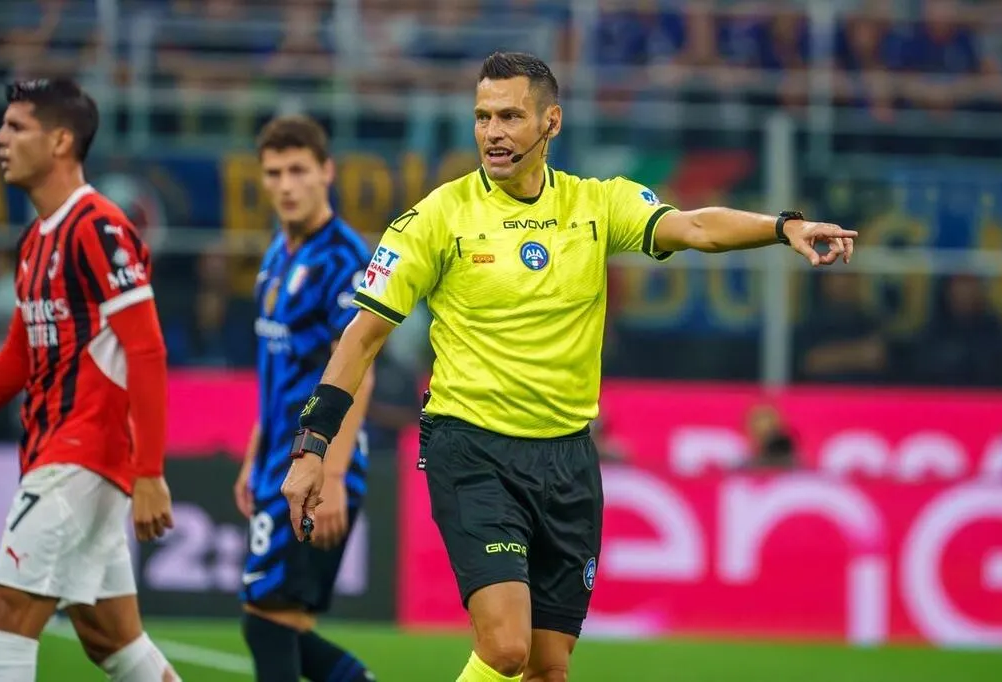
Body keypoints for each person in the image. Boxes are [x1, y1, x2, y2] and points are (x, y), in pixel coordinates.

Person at [281, 51, 858, 682]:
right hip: (472, 449)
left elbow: (694, 226)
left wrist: (784, 227)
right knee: (505, 648)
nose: (492, 132)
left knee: (548, 669)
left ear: (550, 122)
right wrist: (313, 446)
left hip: (567, 462)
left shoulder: (596, 205)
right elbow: (361, 338)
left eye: (509, 116)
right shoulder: (436, 219)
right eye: (481, 117)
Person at [0, 78, 178, 681]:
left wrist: (149, 473)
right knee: (111, 639)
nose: (0, 139)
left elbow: (145, 350)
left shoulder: (98, 225)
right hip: (58, 453)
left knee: (4, 614)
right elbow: (19, 358)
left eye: (17, 127)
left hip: (83, 455)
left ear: (61, 140)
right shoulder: (34, 241)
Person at [233, 115, 376, 682]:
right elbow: (277, 370)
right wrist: (253, 453)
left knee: (267, 620)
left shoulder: (343, 257)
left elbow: (357, 369)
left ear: (327, 172)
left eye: (298, 170)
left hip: (316, 468)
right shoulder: (276, 254)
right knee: (279, 621)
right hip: (277, 462)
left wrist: (334, 474)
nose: (286, 184)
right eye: (274, 172)